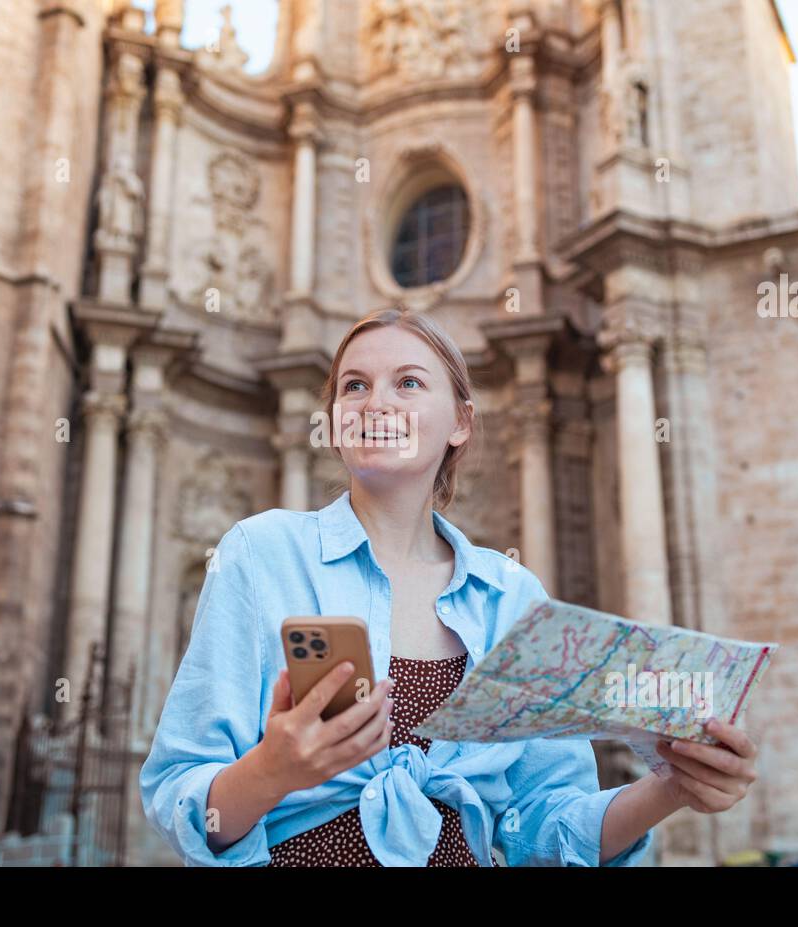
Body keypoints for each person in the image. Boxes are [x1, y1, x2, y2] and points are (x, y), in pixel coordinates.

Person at [139, 306, 760, 866]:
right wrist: (271, 772)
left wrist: (672, 788)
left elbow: (544, 832)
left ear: (461, 421)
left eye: (408, 382)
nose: (375, 403)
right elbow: (181, 794)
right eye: (354, 386)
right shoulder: (261, 552)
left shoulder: (510, 596)